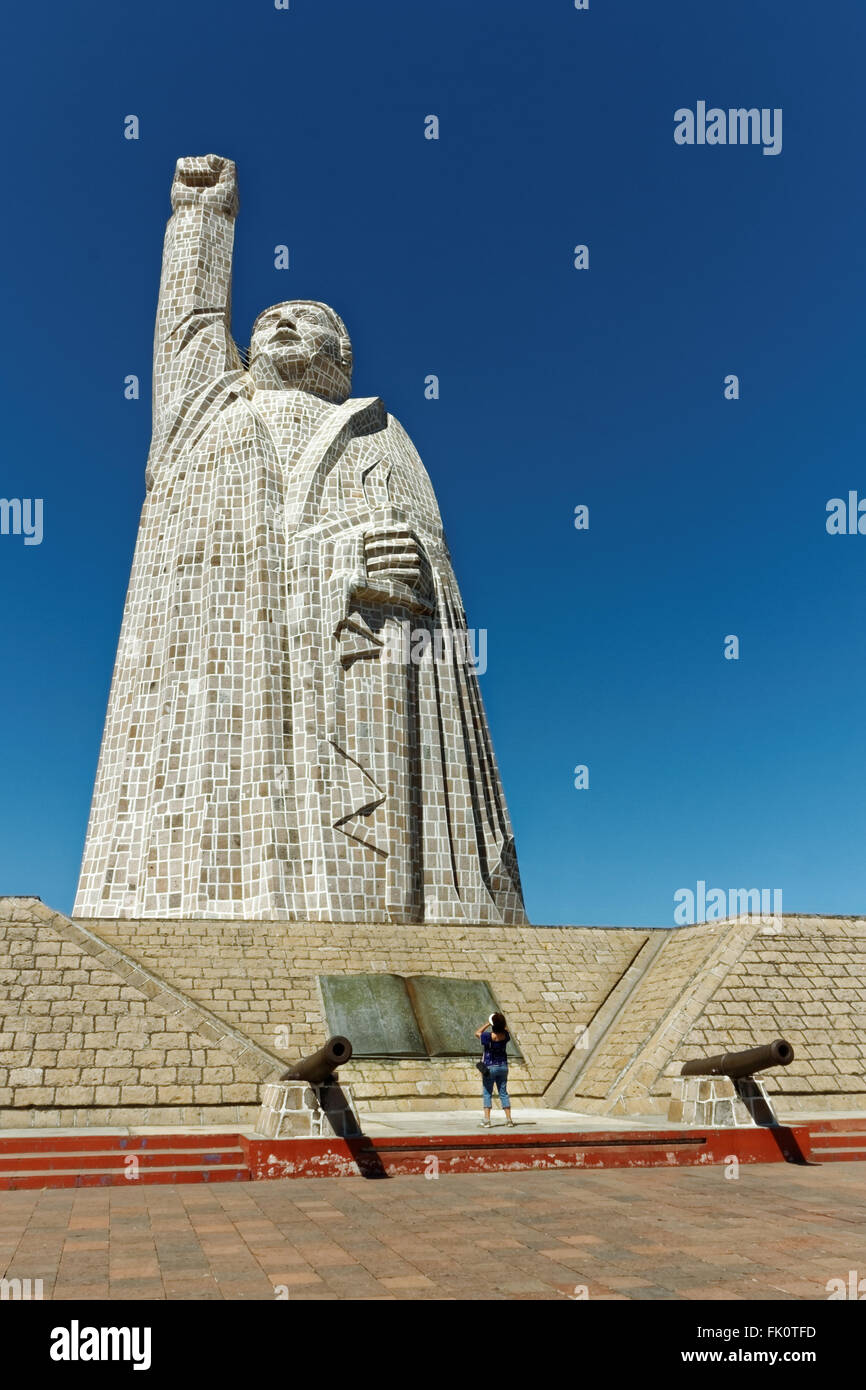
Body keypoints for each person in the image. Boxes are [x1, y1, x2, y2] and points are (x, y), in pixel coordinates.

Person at [475, 1012, 514, 1127]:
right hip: (503, 1067)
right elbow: (506, 1029)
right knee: (503, 1093)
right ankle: (509, 1120)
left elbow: (477, 1033)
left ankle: (487, 1120)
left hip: (490, 1067)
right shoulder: (505, 1035)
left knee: (487, 1093)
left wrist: (488, 1023)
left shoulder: (488, 1036)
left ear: (493, 1024)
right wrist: (500, 1023)